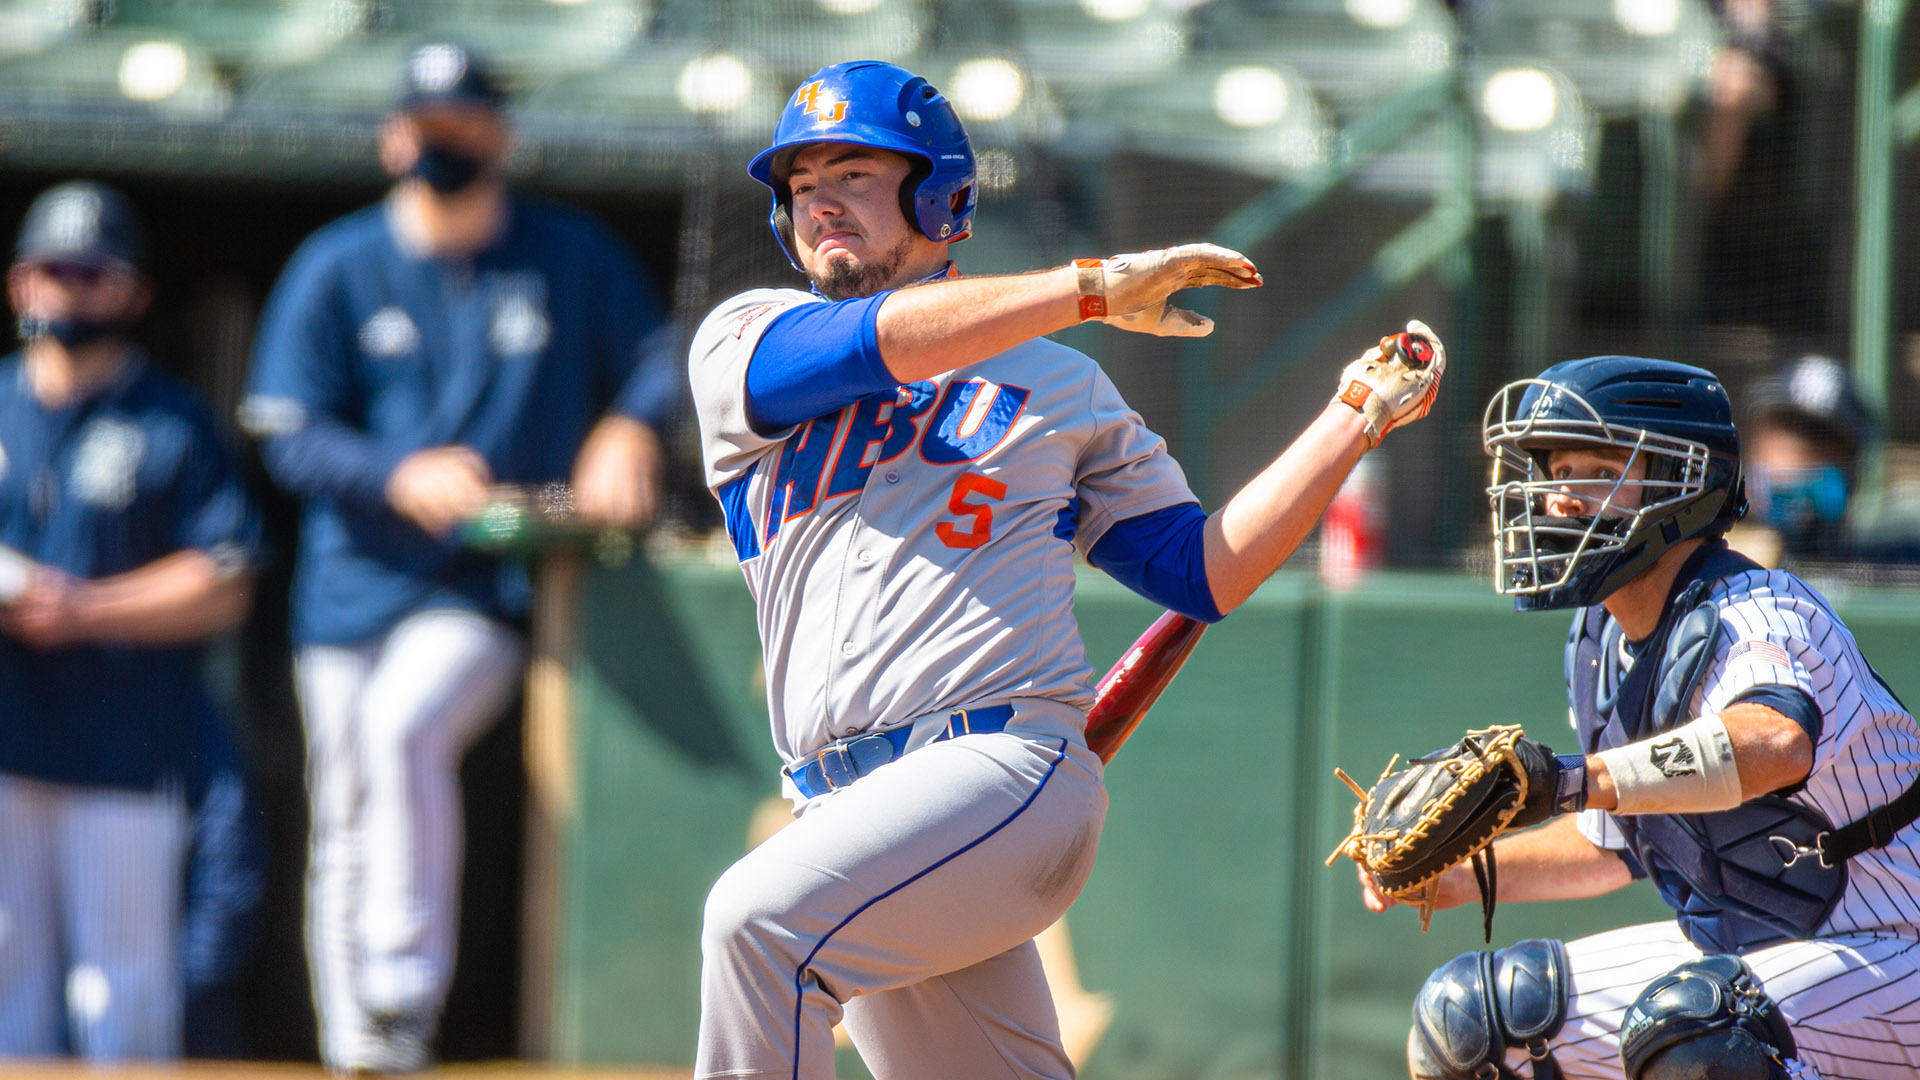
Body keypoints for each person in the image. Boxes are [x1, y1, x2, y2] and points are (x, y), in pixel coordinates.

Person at [688, 59, 1444, 1080]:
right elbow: (873, 348)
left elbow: (1199, 572)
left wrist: (1350, 421)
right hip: (844, 812)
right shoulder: (743, 338)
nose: (820, 198)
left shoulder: (1060, 383)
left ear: (937, 195)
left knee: (757, 927)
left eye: (854, 173)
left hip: (999, 773)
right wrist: (1089, 289)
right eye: (801, 181)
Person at [239, 41, 680, 1073]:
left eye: (465, 128)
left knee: (401, 734)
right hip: (351, 580)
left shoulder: (566, 254)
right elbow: (283, 426)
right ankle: (363, 1045)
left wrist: (628, 426)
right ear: (397, 137)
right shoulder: (339, 262)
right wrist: (393, 471)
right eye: (429, 128)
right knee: (343, 794)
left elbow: (661, 353)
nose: (447, 146)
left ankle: (400, 996)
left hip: (487, 576)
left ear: (500, 135)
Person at [1361, 356, 1920, 1079]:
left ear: (1676, 482)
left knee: (1700, 1029)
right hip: (1768, 959)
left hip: (1894, 946)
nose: (1558, 498)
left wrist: (1569, 780)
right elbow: (1611, 845)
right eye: (1553, 470)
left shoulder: (1759, 611)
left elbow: (1775, 742)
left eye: (1591, 469)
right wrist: (1462, 872)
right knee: (1472, 1017)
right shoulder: (1599, 640)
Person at [0, 180, 261, 1060]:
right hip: (6, 743)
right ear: (19, 284)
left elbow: (226, 582)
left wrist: (84, 609)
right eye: (52, 270)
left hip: (124, 746)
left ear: (132, 293)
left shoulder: (174, 423)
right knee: (8, 995)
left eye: (92, 273)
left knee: (123, 1005)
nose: (70, 290)